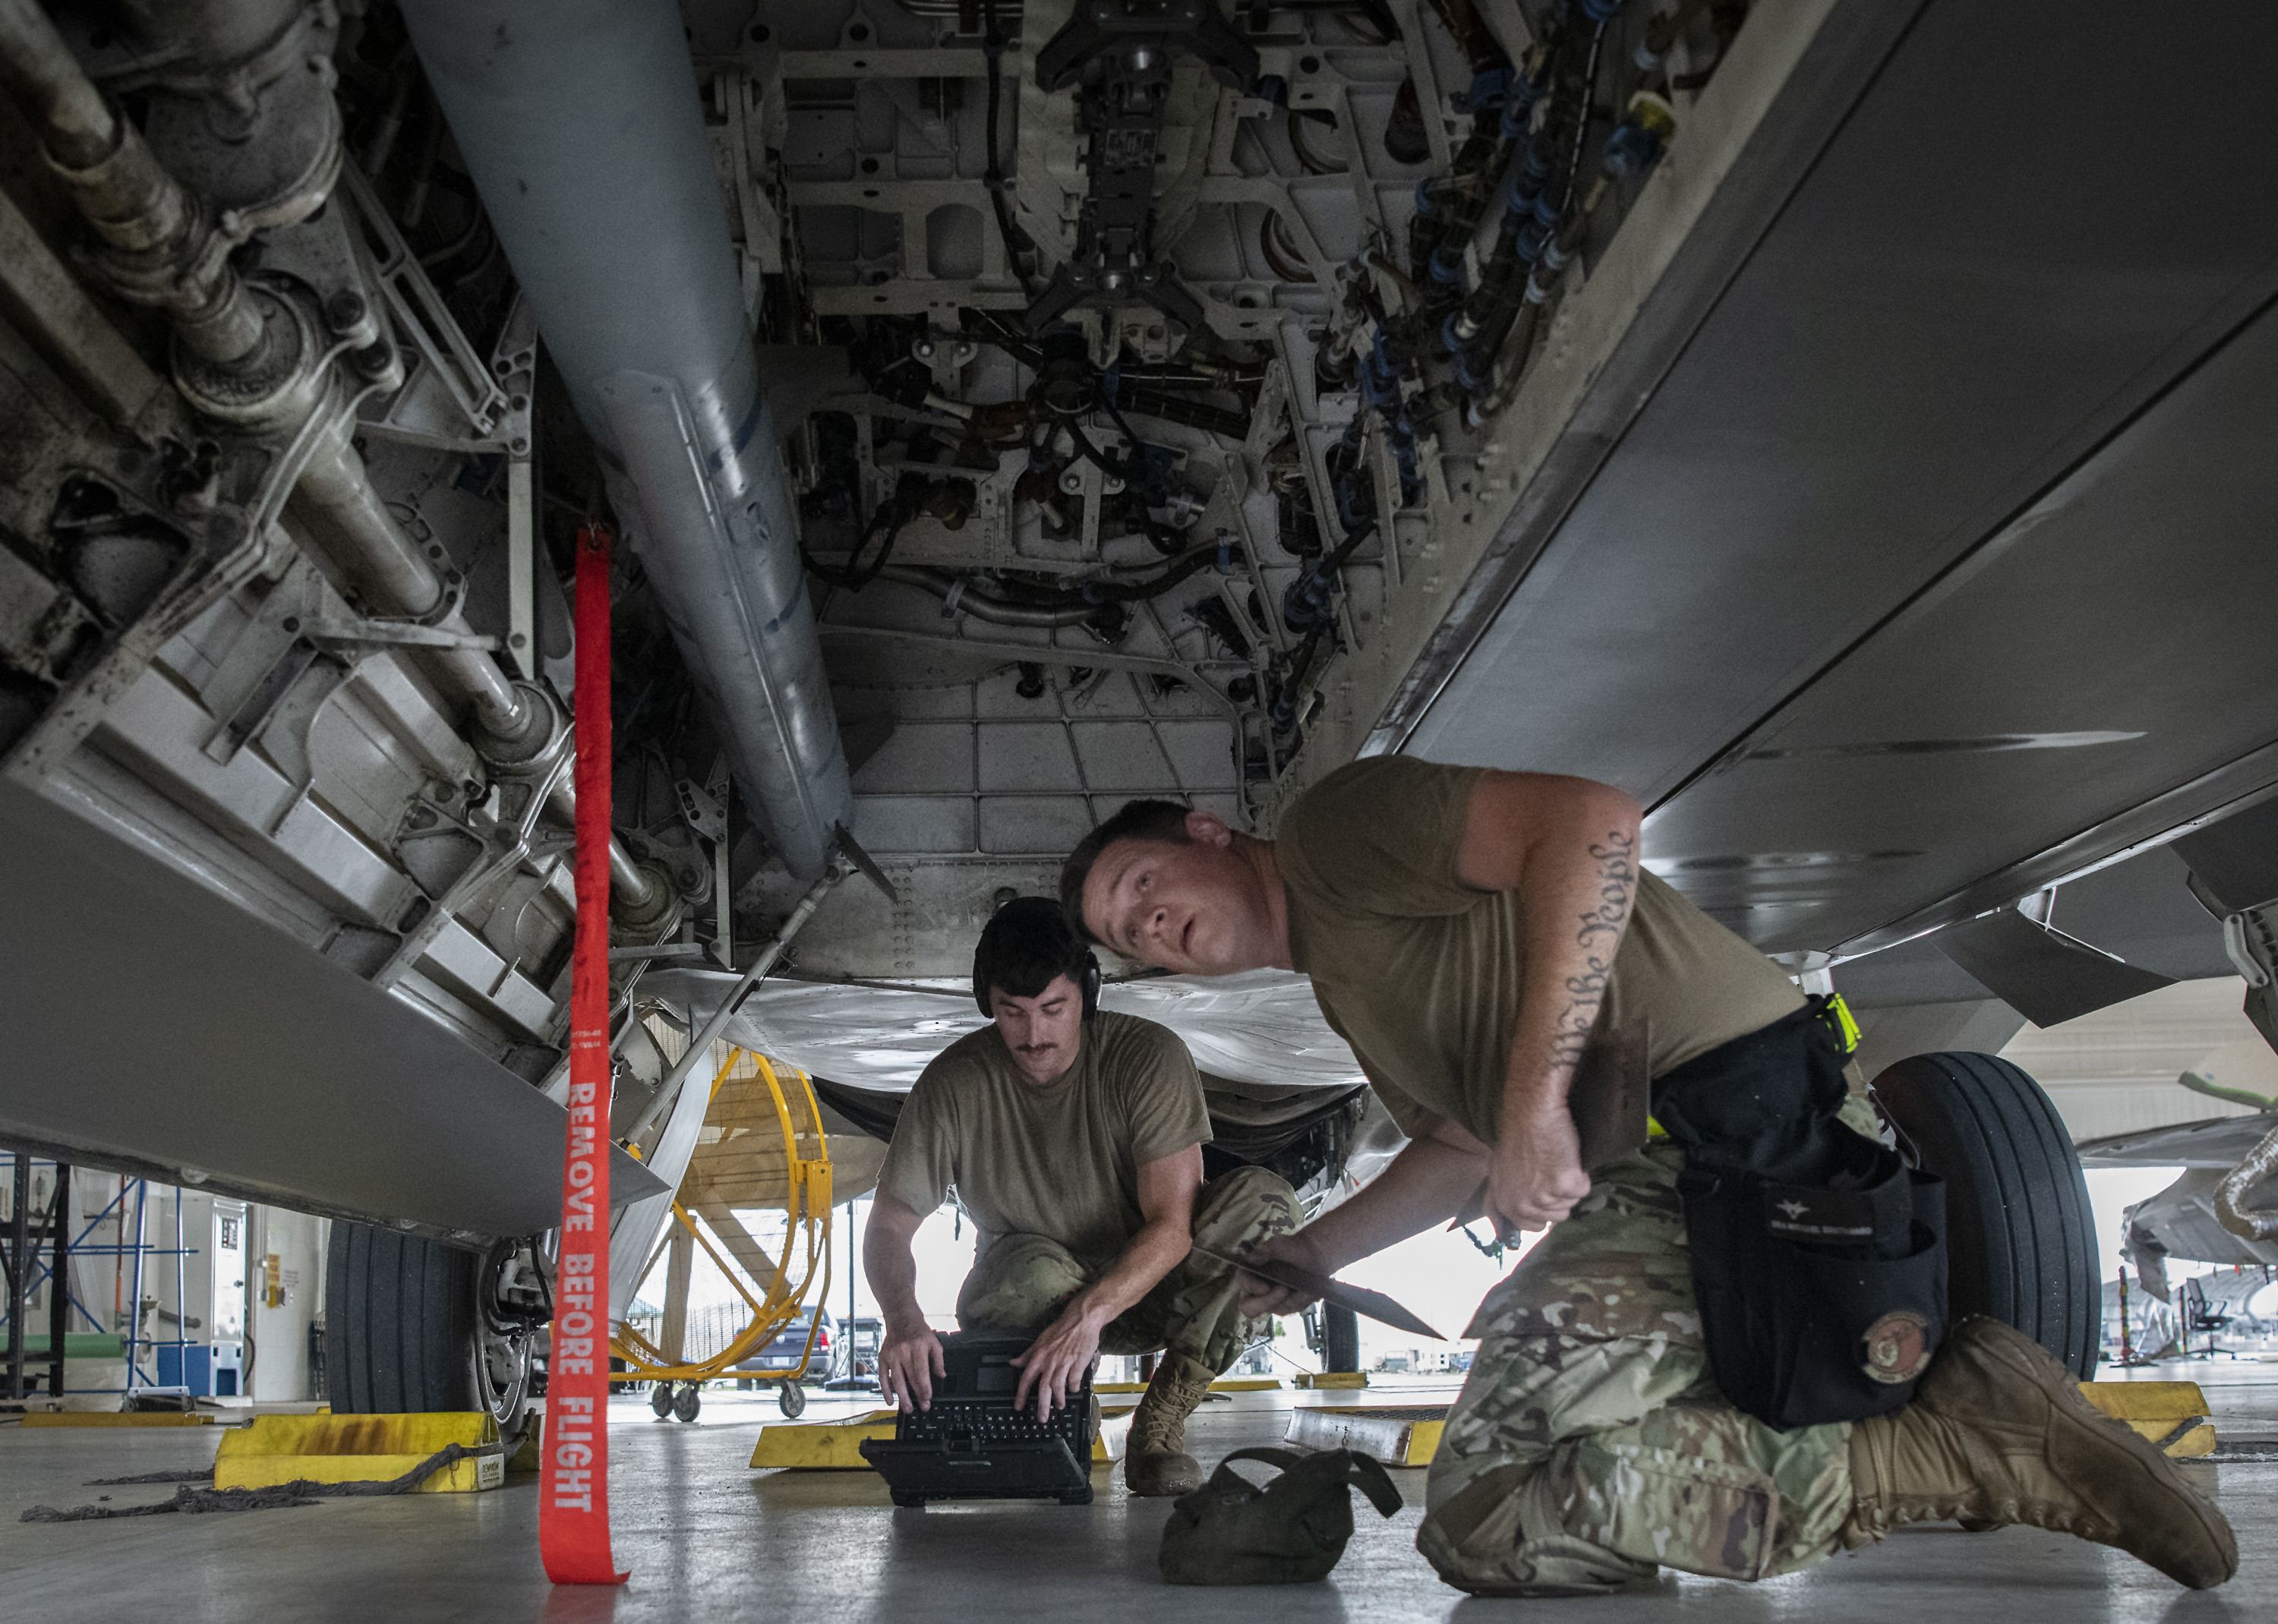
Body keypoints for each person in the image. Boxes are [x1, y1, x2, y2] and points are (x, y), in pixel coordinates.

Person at [1062, 758, 2235, 1592]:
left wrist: (1531, 1106)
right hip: (1668, 1165)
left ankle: (1959, 1449)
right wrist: (1321, 1251)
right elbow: (1466, 1149)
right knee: (1488, 1525)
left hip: (1723, 1120)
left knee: (1482, 1523)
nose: (1146, 921)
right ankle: (1937, 1436)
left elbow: (1590, 824)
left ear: (1208, 832)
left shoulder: (1332, 828)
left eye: (1139, 883)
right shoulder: (1344, 979)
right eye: (1127, 935)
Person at [864, 897, 1301, 1496]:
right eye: (1011, 1012)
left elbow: (1173, 1225)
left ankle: (1161, 1423)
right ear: (986, 1003)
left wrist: (1089, 1316)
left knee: (1265, 1212)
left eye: (1053, 1008)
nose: (1034, 1035)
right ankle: (1067, 1408)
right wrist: (903, 1319)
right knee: (1014, 1277)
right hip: (1035, 1302)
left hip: (1160, 1287)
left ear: (1087, 995)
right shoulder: (954, 1084)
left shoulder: (1147, 1058)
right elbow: (889, 1225)